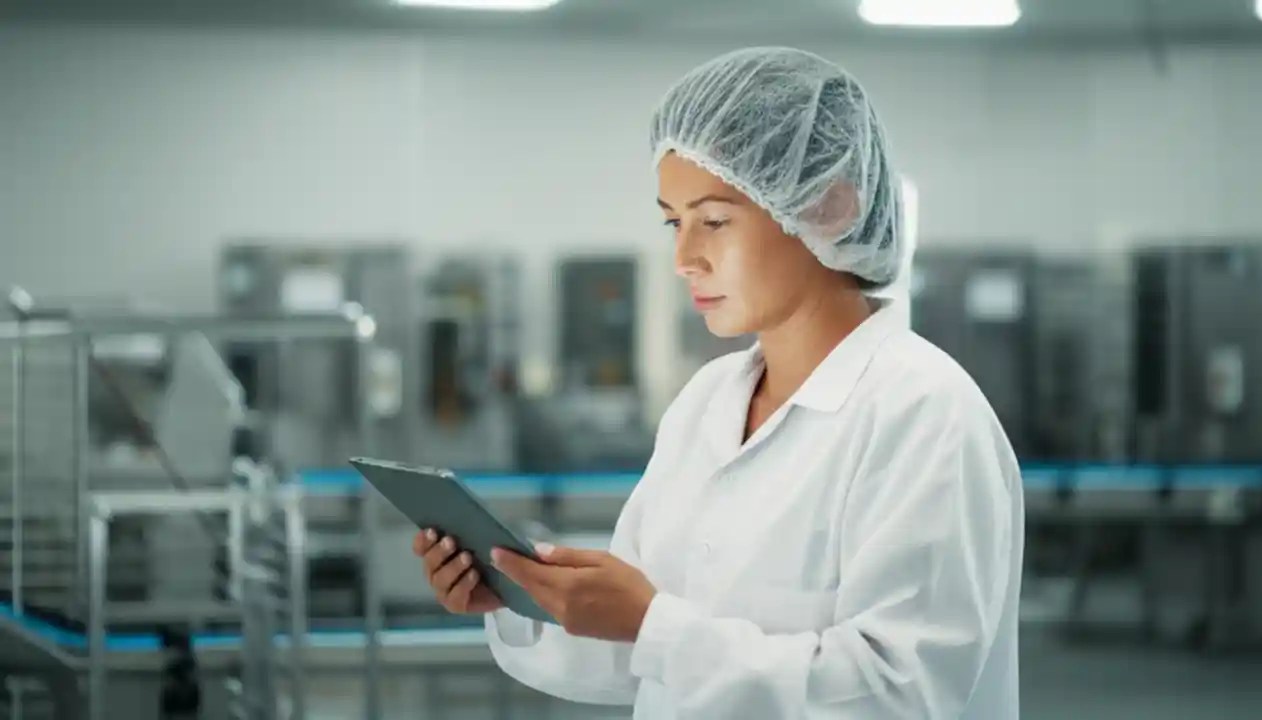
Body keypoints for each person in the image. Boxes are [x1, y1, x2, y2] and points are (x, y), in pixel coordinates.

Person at [412, 46, 1023, 719]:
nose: (683, 258)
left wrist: (653, 627)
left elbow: (902, 692)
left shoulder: (923, 411)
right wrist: (517, 599)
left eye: (715, 221)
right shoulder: (708, 401)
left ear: (830, 207)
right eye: (674, 222)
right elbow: (639, 651)